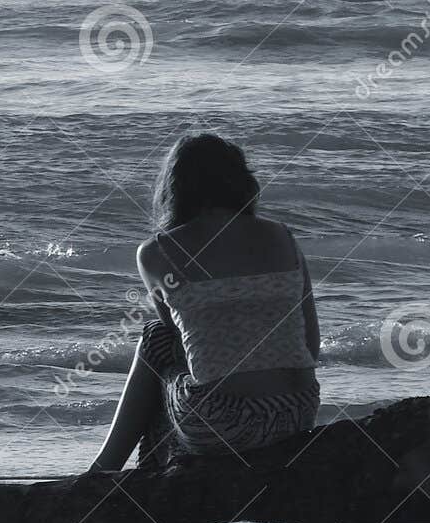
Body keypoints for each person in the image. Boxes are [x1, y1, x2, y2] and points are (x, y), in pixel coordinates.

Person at [89, 133, 320, 471]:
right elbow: (311, 344)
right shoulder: (282, 236)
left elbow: (177, 339)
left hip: (224, 424)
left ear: (175, 187)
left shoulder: (157, 251)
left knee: (155, 337)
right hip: (297, 413)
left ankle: (113, 469)